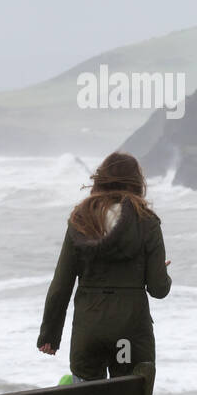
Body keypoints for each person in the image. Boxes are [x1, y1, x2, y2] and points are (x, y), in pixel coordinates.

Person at [37, 152, 171, 381]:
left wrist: (50, 334)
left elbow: (62, 283)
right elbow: (159, 289)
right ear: (137, 183)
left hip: (89, 332)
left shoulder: (81, 220)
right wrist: (160, 271)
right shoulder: (146, 221)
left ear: (100, 180)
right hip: (129, 334)